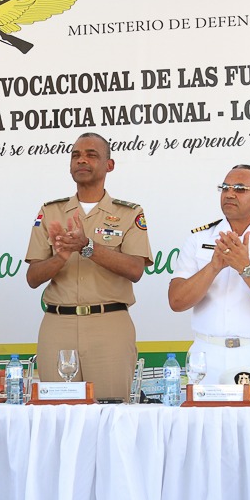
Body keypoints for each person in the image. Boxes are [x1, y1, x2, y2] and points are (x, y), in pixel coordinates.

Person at [25, 132, 153, 401]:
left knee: (111, 413)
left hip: (109, 324)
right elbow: (33, 277)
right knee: (56, 414)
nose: (81, 160)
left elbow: (135, 269)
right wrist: (59, 257)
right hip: (58, 324)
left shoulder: (130, 213)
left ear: (109, 165)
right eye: (75, 155)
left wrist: (88, 247)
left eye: (91, 155)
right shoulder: (50, 212)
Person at [168, 165, 250, 383]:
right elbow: (176, 301)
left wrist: (245, 267)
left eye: (239, 188)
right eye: (225, 188)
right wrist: (213, 267)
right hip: (206, 357)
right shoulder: (198, 238)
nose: (229, 194)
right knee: (203, 418)